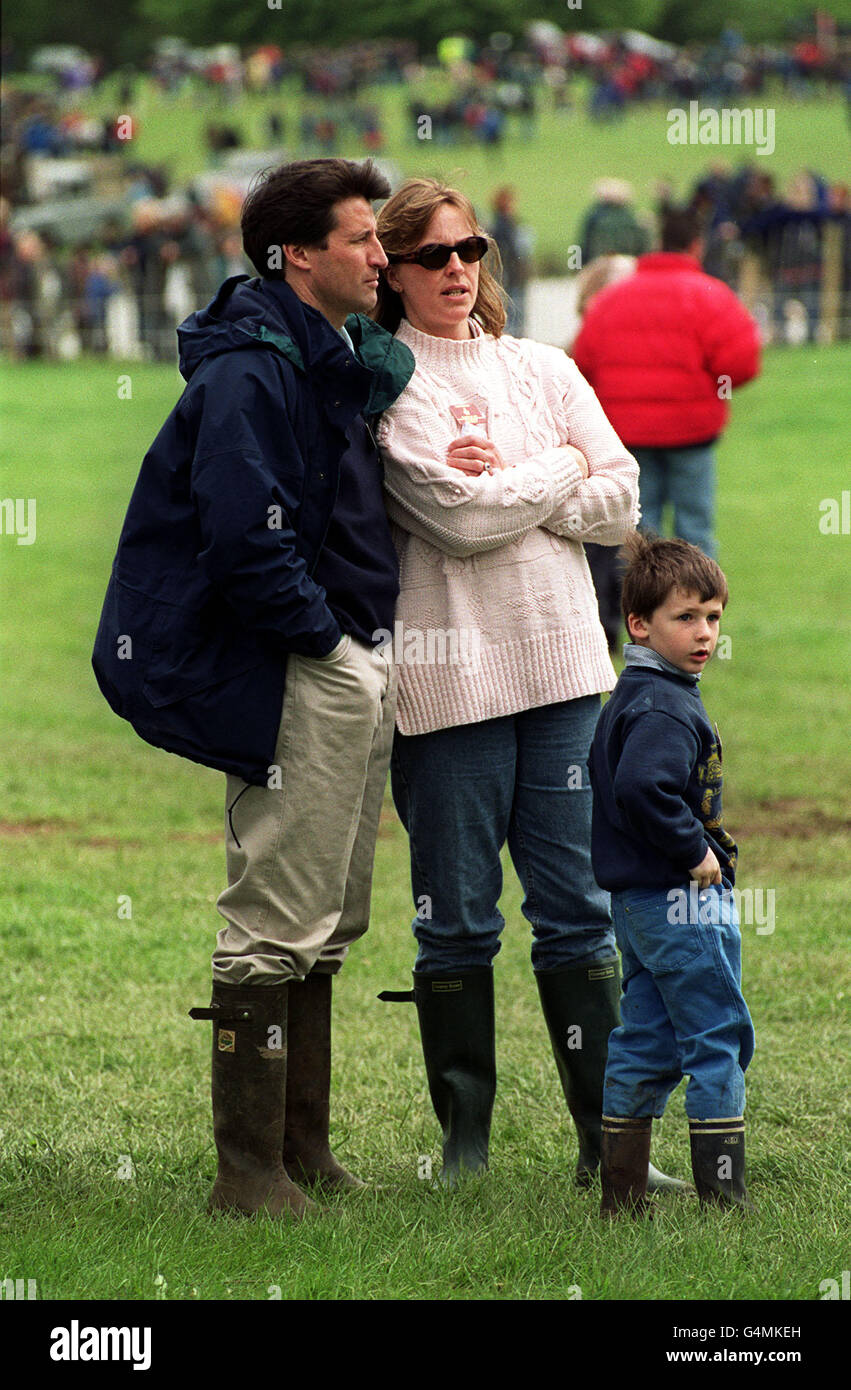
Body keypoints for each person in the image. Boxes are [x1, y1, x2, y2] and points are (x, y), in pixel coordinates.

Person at [92, 159, 415, 1219]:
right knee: (274, 915)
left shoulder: (327, 356)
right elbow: (244, 537)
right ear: (296, 255)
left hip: (347, 653)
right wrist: (320, 640)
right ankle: (248, 1173)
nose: (382, 256)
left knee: (326, 915)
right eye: (362, 238)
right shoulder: (250, 372)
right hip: (305, 662)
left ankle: (302, 1148)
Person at [373, 177, 682, 1194]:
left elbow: (619, 496)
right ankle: (464, 1149)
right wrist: (554, 472)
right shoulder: (382, 383)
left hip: (559, 675)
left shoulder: (541, 366)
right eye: (431, 257)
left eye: (469, 249)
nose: (456, 270)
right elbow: (453, 522)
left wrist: (514, 476)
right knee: (455, 918)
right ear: (393, 272)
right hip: (446, 683)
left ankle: (605, 1145)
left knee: (576, 911)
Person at [588, 534, 755, 1215]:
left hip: (634, 903)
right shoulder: (662, 705)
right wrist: (695, 852)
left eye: (712, 617)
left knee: (646, 1038)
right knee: (717, 1034)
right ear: (638, 624)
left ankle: (621, 1195)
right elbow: (643, 789)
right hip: (677, 899)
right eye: (685, 618)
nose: (703, 633)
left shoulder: (636, 693)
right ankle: (723, 1194)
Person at [572, 205, 761, 558]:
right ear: (696, 246)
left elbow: (584, 363)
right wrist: (711, 388)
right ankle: (699, 608)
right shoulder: (710, 294)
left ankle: (640, 609)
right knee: (696, 529)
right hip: (692, 432)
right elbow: (742, 361)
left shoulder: (614, 298)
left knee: (639, 533)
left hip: (628, 434)